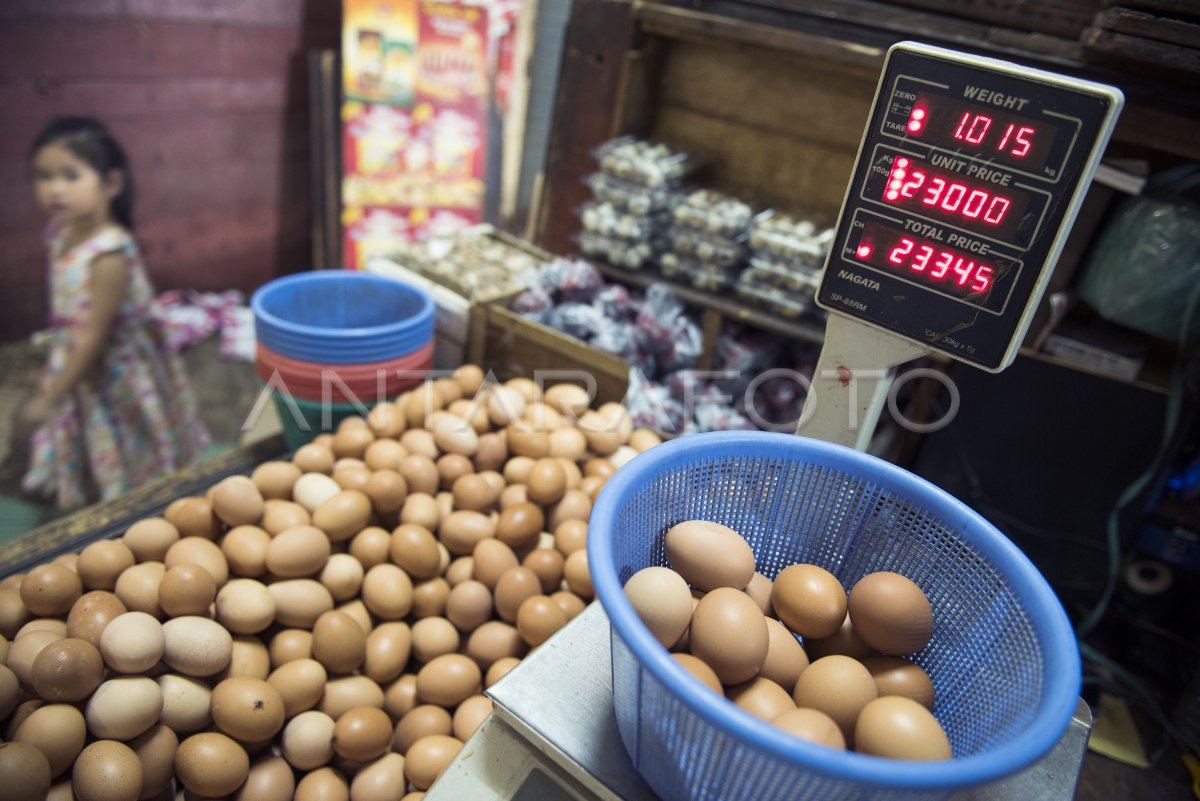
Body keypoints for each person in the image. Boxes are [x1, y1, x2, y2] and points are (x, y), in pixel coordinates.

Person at [16, 116, 211, 509]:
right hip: (76, 355)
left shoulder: (109, 254)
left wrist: (50, 396)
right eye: (44, 175)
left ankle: (131, 507)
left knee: (126, 440)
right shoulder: (60, 231)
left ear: (111, 184)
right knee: (90, 436)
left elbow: (95, 335)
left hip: (114, 368)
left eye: (71, 176)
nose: (55, 189)